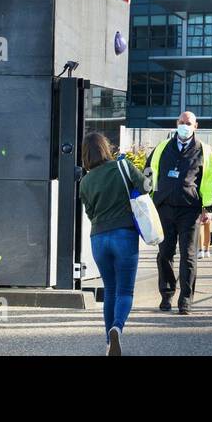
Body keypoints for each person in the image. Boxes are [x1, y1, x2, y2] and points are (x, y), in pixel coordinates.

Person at [146, 111, 212, 315]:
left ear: (196, 126)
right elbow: (149, 172)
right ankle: (167, 294)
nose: (184, 125)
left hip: (190, 209)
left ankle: (185, 299)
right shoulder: (162, 147)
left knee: (188, 256)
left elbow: (209, 179)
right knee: (164, 254)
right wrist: (146, 200)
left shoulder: (204, 150)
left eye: (188, 123)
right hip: (164, 207)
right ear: (176, 124)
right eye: (181, 122)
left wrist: (209, 208)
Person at [78, 133, 144, 355]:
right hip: (124, 234)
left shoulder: (85, 181)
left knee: (110, 290)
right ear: (106, 148)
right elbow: (146, 187)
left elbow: (90, 212)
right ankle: (117, 327)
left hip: (98, 238)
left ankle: (109, 343)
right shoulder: (122, 167)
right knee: (125, 291)